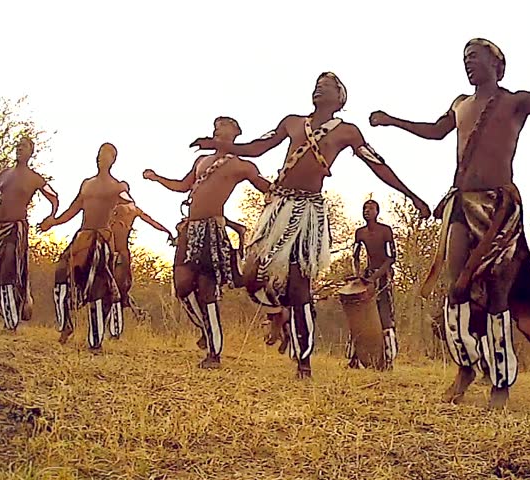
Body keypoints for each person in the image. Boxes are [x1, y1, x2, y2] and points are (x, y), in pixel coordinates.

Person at [369, 20, 530, 408]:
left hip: (499, 206)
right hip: (462, 203)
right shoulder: (459, 103)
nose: (468, 64)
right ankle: (465, 366)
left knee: (497, 292)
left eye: (475, 57)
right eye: (464, 58)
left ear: (497, 65)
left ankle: (500, 381)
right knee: (456, 287)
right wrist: (392, 120)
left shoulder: (516, 100)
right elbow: (435, 131)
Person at [192, 72, 431, 378]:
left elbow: (378, 164)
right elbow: (255, 147)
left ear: (340, 97)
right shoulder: (292, 122)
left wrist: (411, 195)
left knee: (299, 284)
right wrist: (217, 145)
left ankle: (303, 362)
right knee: (251, 275)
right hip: (278, 207)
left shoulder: (347, 132)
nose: (320, 88)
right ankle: (279, 314)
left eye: (328, 86)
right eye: (317, 85)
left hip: (308, 212)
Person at [143, 116, 271, 368]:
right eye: (215, 130)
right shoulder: (201, 161)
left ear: (235, 135)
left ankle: (214, 354)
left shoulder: (241, 166)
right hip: (190, 230)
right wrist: (157, 178)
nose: (217, 134)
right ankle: (205, 329)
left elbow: (265, 186)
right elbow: (183, 186)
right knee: (181, 286)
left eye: (223, 131)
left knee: (207, 289)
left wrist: (283, 188)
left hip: (212, 230)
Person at [40, 143, 131, 350]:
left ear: (113, 160)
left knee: (99, 286)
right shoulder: (86, 184)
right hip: (82, 238)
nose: (101, 159)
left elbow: (128, 202)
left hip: (101, 240)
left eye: (106, 156)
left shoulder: (117, 186)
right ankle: (66, 324)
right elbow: (73, 209)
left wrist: (125, 201)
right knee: (62, 274)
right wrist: (53, 222)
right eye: (99, 155)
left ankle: (95, 341)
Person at [0, 137, 59, 331]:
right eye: (17, 145)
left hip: (16, 229)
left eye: (24, 146)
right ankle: (13, 312)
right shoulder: (4, 174)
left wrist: (50, 218)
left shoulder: (35, 178)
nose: (19, 148)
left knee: (9, 271)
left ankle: (11, 323)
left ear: (31, 153)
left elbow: (53, 197)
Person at [107, 199, 175, 338]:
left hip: (115, 253)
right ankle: (120, 320)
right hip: (117, 252)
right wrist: (166, 231)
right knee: (118, 289)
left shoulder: (118, 208)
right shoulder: (132, 210)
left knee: (117, 289)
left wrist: (166, 231)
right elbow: (151, 221)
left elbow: (150, 221)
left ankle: (116, 328)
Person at [348, 199, 398, 369]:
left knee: (385, 315)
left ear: (377, 212)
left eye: (370, 209)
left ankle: (388, 359)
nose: (367, 211)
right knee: (360, 315)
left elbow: (391, 258)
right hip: (368, 275)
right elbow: (355, 255)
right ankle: (356, 359)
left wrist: (376, 276)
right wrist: (357, 275)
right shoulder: (360, 233)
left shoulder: (385, 231)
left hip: (384, 276)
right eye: (364, 208)